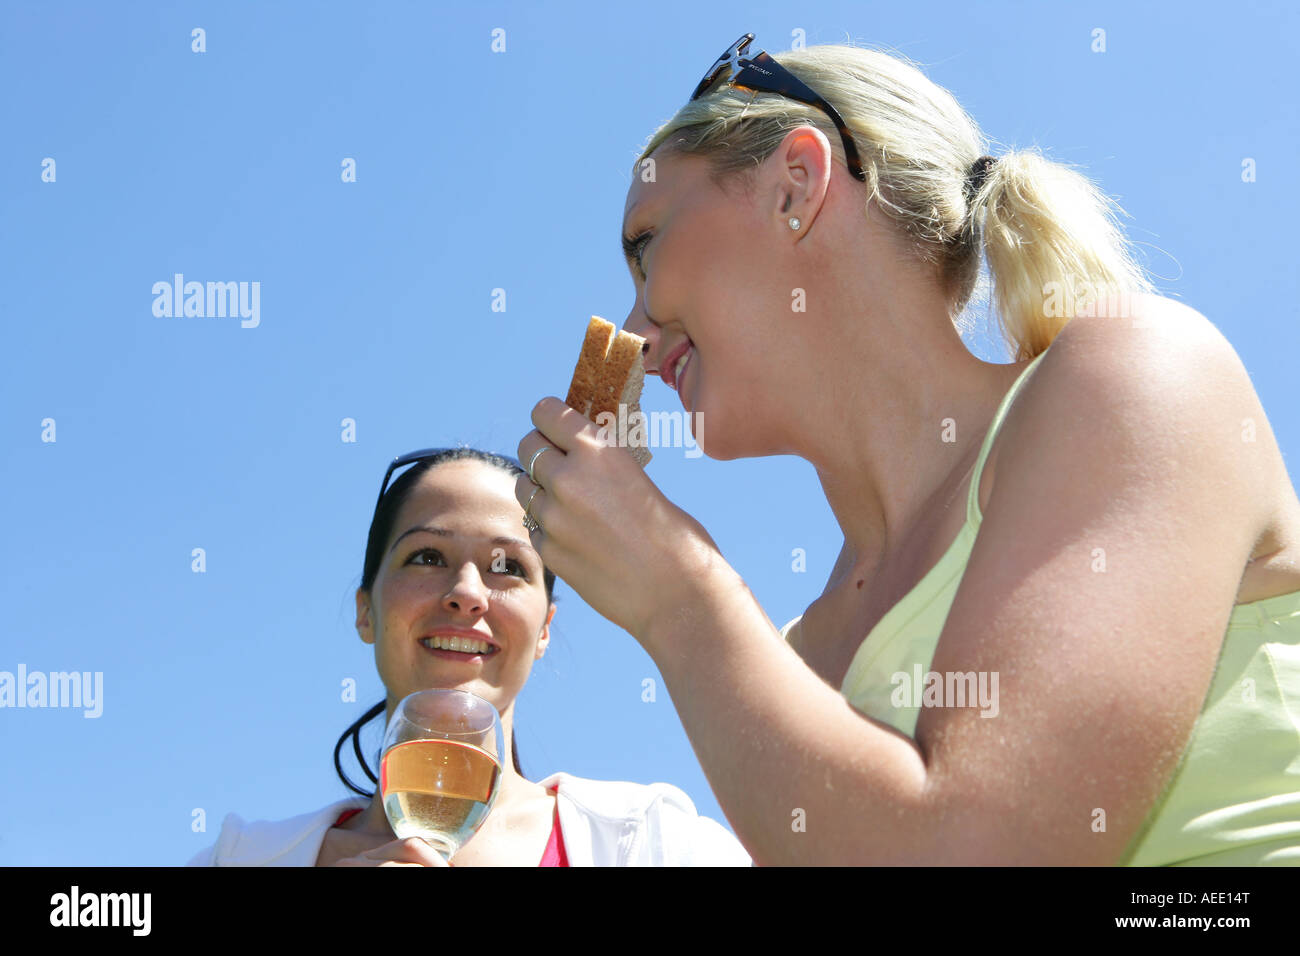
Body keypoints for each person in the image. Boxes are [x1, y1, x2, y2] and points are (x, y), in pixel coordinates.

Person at [512, 34, 1300, 865]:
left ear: (797, 185)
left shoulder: (1138, 375)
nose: (632, 329)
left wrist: (677, 594)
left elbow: (982, 849)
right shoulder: (797, 659)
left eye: (646, 247)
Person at [187, 447, 751, 866]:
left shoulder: (656, 845)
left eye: (508, 567)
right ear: (365, 611)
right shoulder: (239, 858)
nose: (467, 592)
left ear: (546, 627)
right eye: (427, 556)